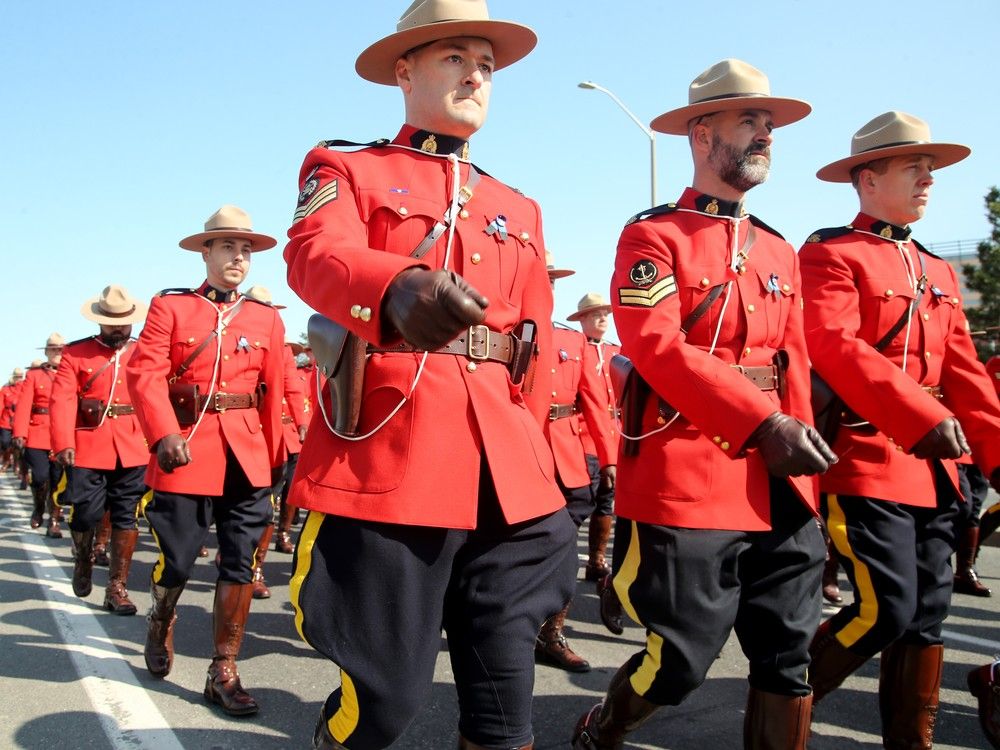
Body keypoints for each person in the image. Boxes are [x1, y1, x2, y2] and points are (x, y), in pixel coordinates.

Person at [283, 2, 577, 747]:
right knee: (386, 702)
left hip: (506, 480)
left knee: (506, 716)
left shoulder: (520, 205)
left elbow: (534, 345)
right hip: (396, 463)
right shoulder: (348, 166)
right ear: (404, 69)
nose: (477, 73)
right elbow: (315, 254)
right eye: (456, 56)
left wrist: (539, 461)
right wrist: (394, 285)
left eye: (486, 62)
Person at [572, 59, 836, 750]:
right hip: (690, 471)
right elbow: (656, 348)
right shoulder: (652, 238)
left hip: (781, 481)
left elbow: (795, 363)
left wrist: (810, 469)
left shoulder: (779, 248)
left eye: (769, 125)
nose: (765, 136)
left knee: (789, 653)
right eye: (749, 120)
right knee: (684, 660)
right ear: (700, 132)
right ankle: (608, 722)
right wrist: (760, 421)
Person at [798, 111, 1000, 748]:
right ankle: (783, 709)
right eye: (914, 166)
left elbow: (966, 373)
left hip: (936, 473)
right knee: (883, 607)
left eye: (930, 169)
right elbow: (834, 345)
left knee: (928, 619)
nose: (928, 180)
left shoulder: (937, 271)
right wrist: (922, 417)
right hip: (866, 458)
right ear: (866, 177)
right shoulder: (830, 252)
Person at [126, 205, 285, 717]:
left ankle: (223, 668)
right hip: (187, 452)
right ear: (206, 252)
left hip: (247, 455)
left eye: (246, 250)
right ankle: (161, 615)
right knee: (176, 559)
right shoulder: (170, 308)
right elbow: (144, 375)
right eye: (228, 247)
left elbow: (274, 390)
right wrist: (163, 433)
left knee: (241, 561)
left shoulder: (266, 318)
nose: (239, 257)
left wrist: (276, 457)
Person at [535, 260, 617, 674]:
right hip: (519, 451)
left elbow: (595, 404)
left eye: (551, 280)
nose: (546, 285)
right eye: (540, 277)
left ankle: (551, 633)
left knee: (566, 545)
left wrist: (609, 457)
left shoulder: (574, 340)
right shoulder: (501, 331)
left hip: (568, 456)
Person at [49, 285, 149, 613]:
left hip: (134, 445)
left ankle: (116, 587)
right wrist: (63, 442)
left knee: (126, 516)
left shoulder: (143, 351)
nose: (119, 328)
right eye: (112, 322)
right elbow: (62, 400)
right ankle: (82, 558)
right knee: (87, 514)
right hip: (89, 445)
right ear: (100, 321)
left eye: (124, 321)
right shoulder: (76, 354)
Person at [13, 334, 67, 537]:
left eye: (60, 349)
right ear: (46, 352)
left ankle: (54, 520)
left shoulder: (71, 372)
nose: (56, 353)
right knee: (40, 476)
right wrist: (20, 432)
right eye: (53, 349)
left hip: (62, 433)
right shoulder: (35, 375)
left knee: (58, 479)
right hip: (38, 432)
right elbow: (24, 405)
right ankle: (38, 507)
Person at [1, 368, 25, 473]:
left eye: (20, 376)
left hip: (19, 420)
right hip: (6, 420)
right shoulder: (5, 389)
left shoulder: (25, 388)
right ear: (13, 377)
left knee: (19, 445)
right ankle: (7, 461)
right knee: (5, 442)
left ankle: (17, 464)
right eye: (17, 376)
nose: (19, 379)